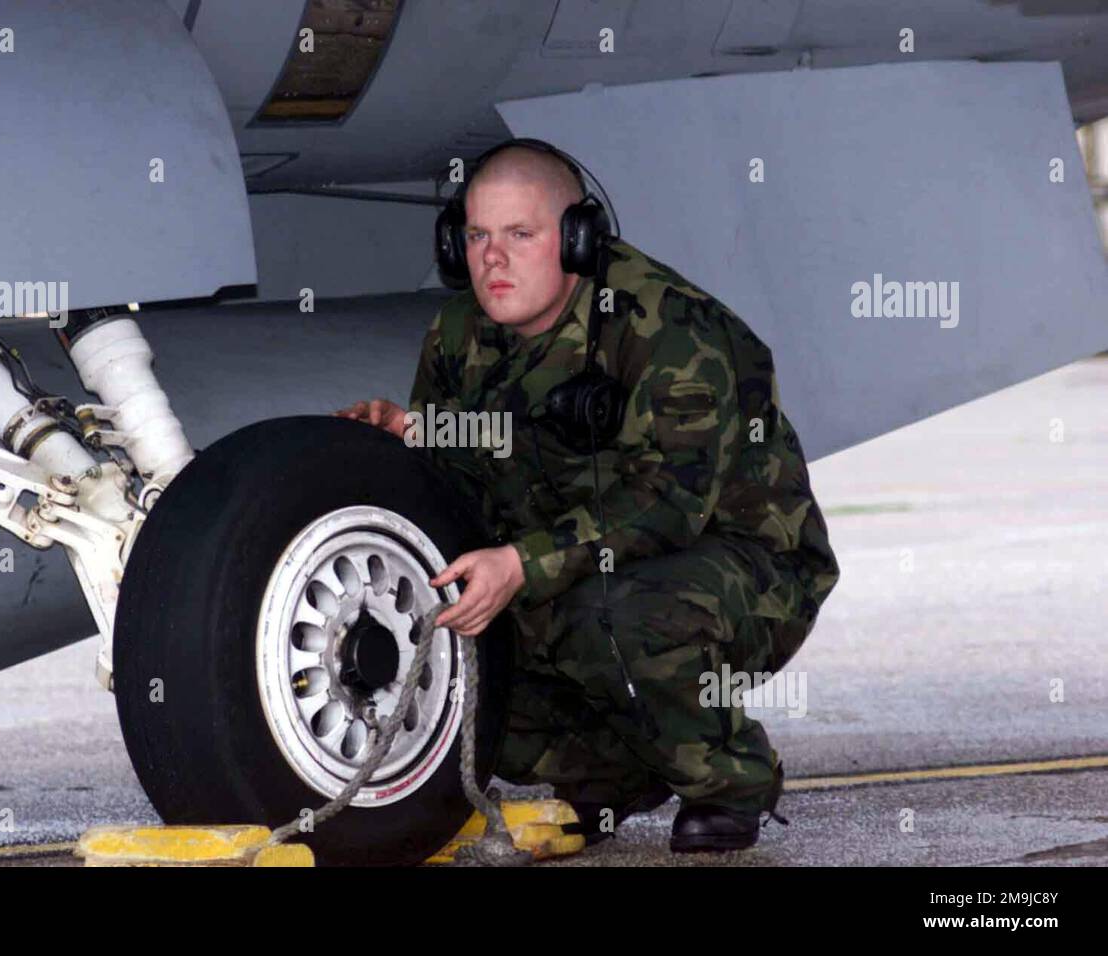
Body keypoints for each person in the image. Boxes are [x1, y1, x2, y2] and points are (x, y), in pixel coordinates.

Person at [336, 139, 839, 853]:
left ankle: (730, 781)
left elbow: (669, 501)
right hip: (564, 565)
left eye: (520, 234)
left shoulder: (672, 330)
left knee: (621, 614)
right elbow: (479, 448)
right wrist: (406, 435)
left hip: (737, 568)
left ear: (577, 238)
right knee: (460, 680)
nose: (492, 259)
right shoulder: (460, 333)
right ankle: (625, 769)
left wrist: (520, 565)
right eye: (477, 236)